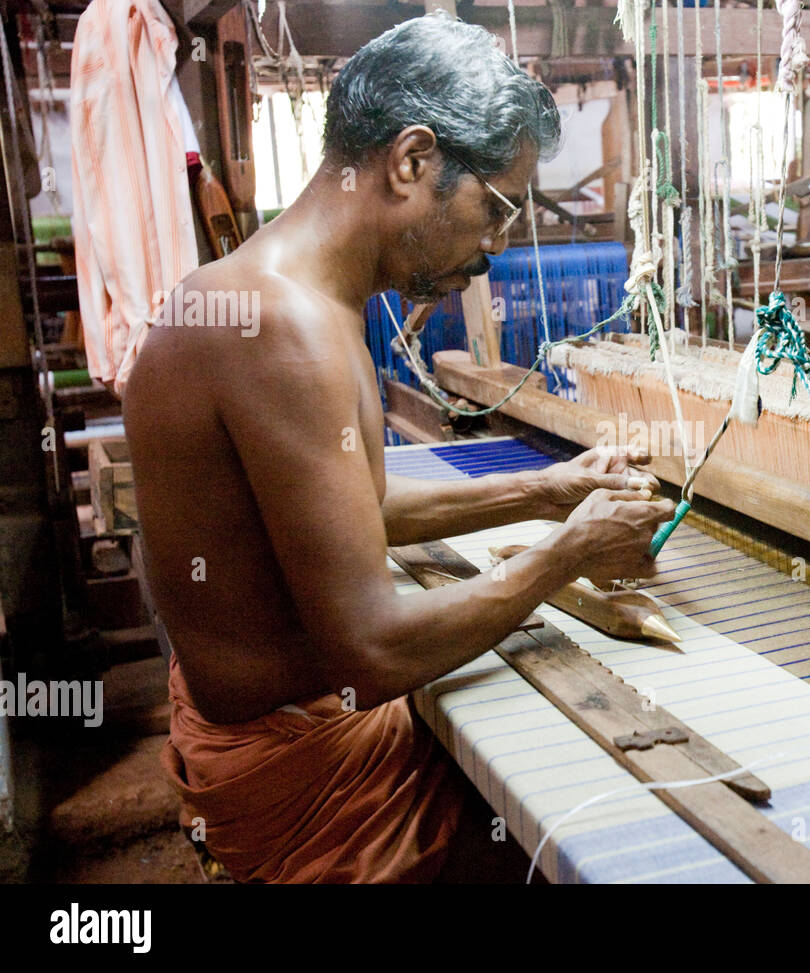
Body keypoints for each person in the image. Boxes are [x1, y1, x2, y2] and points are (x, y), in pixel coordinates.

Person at [122, 13, 673, 883]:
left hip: (278, 730)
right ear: (412, 161)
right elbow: (370, 649)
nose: (496, 249)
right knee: (602, 838)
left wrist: (544, 490)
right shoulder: (283, 329)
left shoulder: (295, 297)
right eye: (495, 208)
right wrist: (564, 555)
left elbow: (353, 511)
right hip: (312, 775)